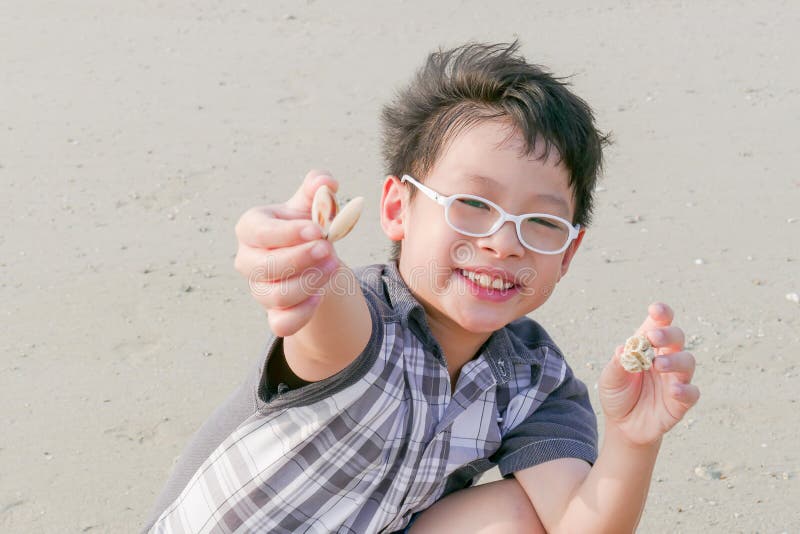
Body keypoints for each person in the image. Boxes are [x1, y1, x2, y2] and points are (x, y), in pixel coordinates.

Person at [143, 40, 699, 533]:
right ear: (397, 208)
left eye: (541, 222)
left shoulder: (533, 381)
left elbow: (581, 524)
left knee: (517, 519)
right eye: (473, 204)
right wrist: (295, 258)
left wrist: (633, 438)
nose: (504, 243)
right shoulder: (365, 318)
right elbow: (322, 302)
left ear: (569, 252)